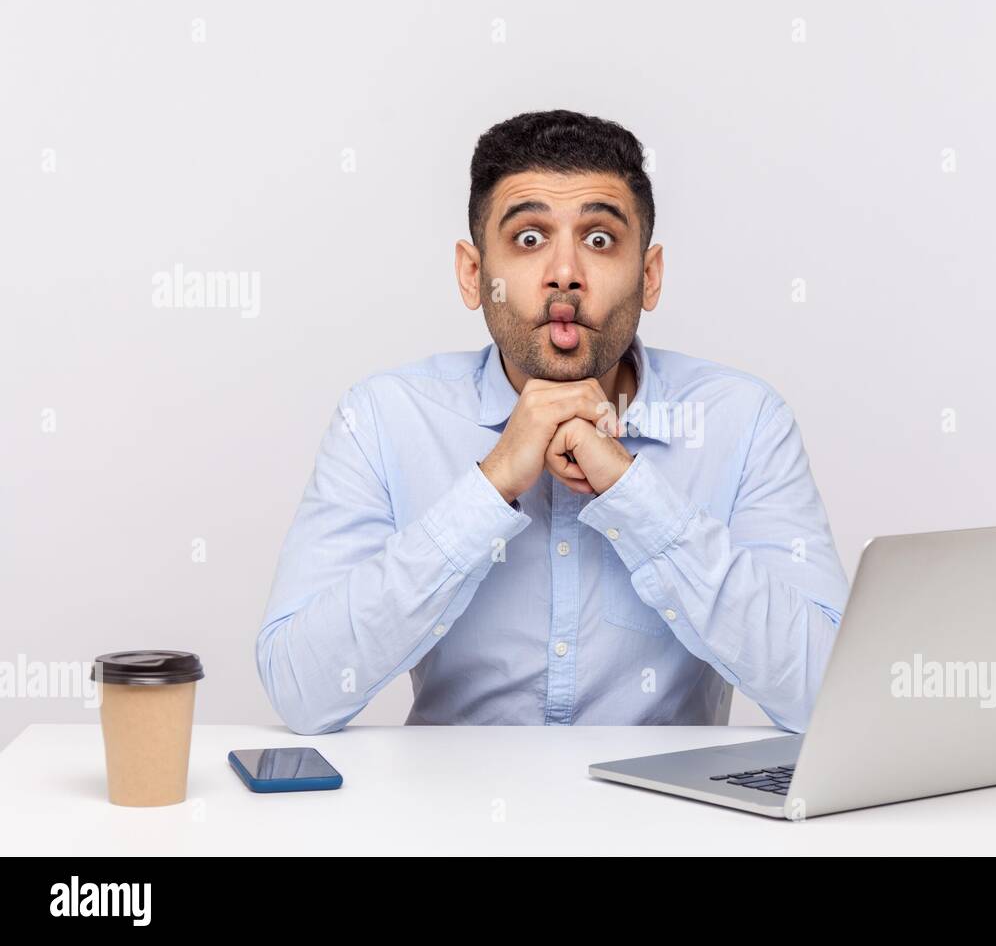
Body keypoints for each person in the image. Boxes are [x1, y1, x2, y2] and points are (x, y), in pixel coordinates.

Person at [256, 109, 848, 734]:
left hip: (669, 826)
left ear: (649, 277)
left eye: (599, 240)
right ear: (473, 274)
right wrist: (488, 488)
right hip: (446, 820)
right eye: (529, 238)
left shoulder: (744, 421)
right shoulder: (381, 418)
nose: (565, 273)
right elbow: (302, 690)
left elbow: (829, 697)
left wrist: (636, 495)